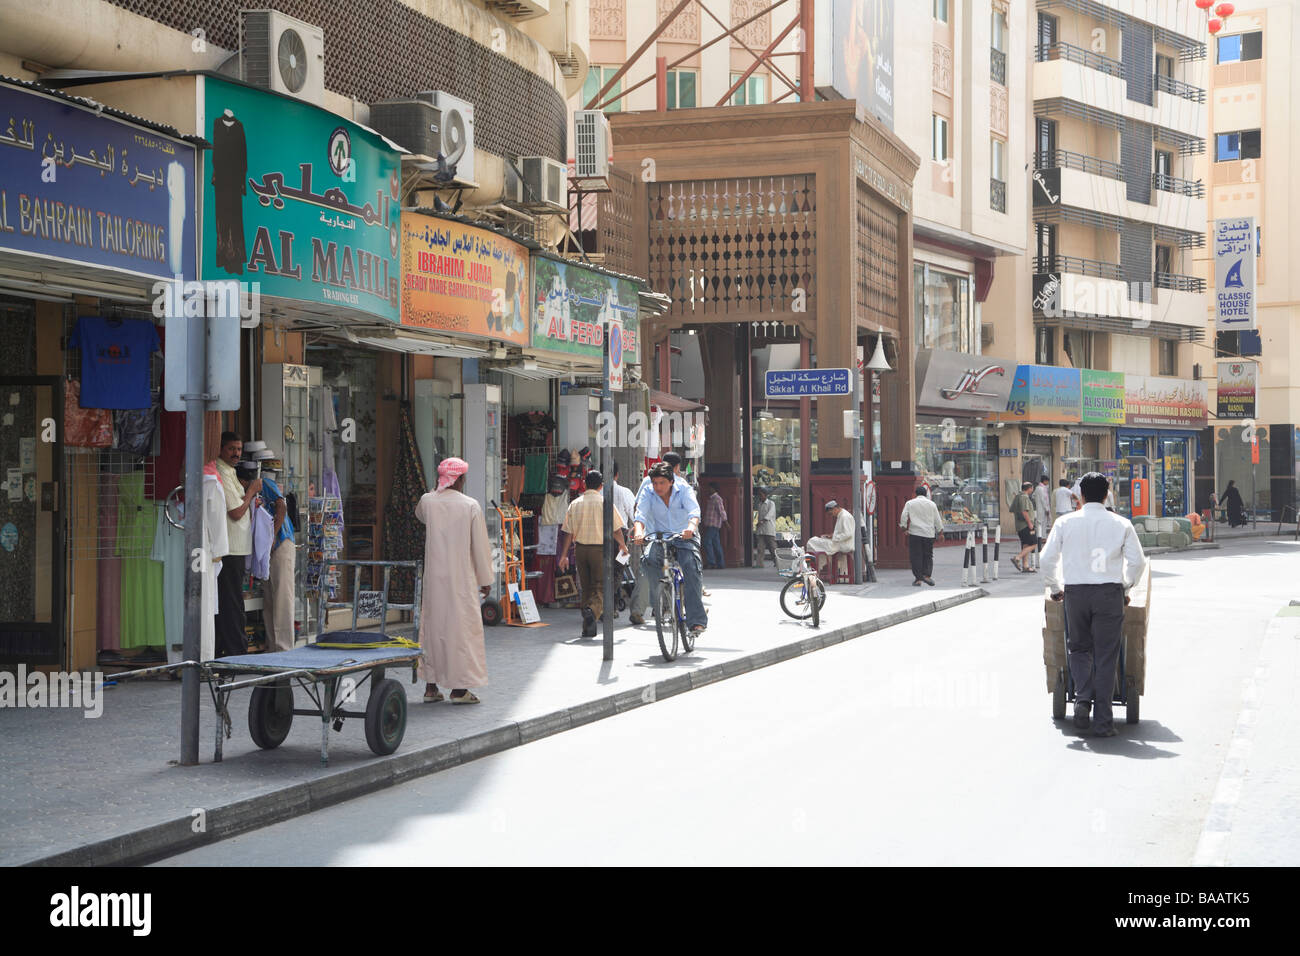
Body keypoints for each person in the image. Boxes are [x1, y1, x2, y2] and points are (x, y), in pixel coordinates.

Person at [1041, 472, 1146, 737]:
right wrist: (1126, 586)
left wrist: (1055, 588)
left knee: (1078, 648)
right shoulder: (1122, 524)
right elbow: (1137, 562)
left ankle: (1082, 699)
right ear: (1107, 493)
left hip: (1076, 593)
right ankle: (1103, 721)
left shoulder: (1065, 523)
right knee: (1106, 655)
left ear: (1080, 496)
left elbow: (1046, 559)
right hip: (1109, 593)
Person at [415, 457, 494, 704]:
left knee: (432, 628)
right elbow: (480, 547)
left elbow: (420, 515)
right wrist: (485, 577)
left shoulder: (428, 501)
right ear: (460, 479)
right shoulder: (470, 506)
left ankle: (430, 686)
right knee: (461, 631)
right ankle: (459, 690)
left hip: (434, 578)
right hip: (462, 578)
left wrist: (436, 488)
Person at [632, 462, 706, 637]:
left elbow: (694, 512)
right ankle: (660, 599)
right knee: (648, 560)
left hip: (684, 536)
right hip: (660, 537)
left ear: (671, 481)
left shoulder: (684, 489)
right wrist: (638, 532)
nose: (658, 487)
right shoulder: (648, 491)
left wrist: (690, 528)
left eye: (662, 483)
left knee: (691, 567)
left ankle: (696, 621)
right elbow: (640, 515)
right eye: (655, 483)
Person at [557, 470, 628, 637]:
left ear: (584, 484)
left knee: (587, 587)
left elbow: (567, 532)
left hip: (580, 550)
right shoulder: (605, 503)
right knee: (601, 586)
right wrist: (622, 545)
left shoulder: (575, 503)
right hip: (600, 550)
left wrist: (564, 555)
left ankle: (588, 627)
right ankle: (592, 611)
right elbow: (616, 529)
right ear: (601, 485)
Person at [213, 432, 260, 657]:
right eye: (232, 449)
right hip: (229, 547)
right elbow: (235, 512)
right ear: (221, 448)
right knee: (232, 601)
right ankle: (236, 651)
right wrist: (251, 491)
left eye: (239, 449)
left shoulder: (229, 472)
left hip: (235, 546)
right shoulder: (221, 471)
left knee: (229, 599)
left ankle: (226, 648)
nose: (236, 454)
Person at [257, 460, 296, 653]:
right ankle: (272, 647)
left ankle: (284, 649)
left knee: (282, 597)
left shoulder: (264, 483)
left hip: (280, 543)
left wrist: (272, 534)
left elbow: (281, 506)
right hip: (269, 547)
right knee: (270, 599)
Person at [605, 461, 644, 623]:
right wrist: (636, 532)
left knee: (601, 572)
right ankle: (611, 607)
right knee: (618, 571)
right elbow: (634, 515)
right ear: (617, 474)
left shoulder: (596, 492)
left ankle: (601, 606)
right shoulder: (624, 492)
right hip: (621, 538)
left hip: (597, 538)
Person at [899, 485, 942, 587]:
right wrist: (940, 532)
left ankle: (918, 579)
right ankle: (927, 575)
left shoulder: (910, 503)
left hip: (915, 533)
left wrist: (904, 528)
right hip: (929, 533)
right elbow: (937, 519)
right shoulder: (932, 504)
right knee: (928, 555)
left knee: (916, 555)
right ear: (926, 494)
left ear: (915, 494)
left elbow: (904, 516)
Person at [806, 499, 855, 578]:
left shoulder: (845, 516)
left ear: (835, 509)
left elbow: (848, 534)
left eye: (831, 513)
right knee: (819, 545)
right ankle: (814, 568)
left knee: (813, 541)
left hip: (844, 545)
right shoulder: (841, 515)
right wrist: (832, 535)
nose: (832, 515)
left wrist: (834, 537)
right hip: (839, 542)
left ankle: (813, 569)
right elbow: (843, 532)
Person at [1010, 480, 1037, 573]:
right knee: (1034, 544)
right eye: (1032, 488)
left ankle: (1025, 566)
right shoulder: (1024, 497)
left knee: (1026, 544)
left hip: (1019, 525)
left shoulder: (1018, 496)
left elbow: (1012, 509)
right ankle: (1017, 558)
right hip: (1025, 525)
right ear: (1029, 488)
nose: (1032, 490)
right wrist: (1030, 523)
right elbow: (1024, 511)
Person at [701, 483, 729, 569]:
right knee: (716, 544)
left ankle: (711, 562)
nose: (709, 490)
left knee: (706, 541)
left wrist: (726, 522)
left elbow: (722, 511)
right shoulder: (711, 499)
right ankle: (720, 564)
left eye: (710, 488)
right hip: (710, 524)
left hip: (714, 524)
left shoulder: (717, 499)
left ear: (713, 489)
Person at [754, 487, 778, 568]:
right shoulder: (759, 504)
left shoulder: (771, 503)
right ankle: (759, 564)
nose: (760, 497)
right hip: (761, 529)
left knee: (772, 548)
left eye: (761, 495)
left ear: (765, 495)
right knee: (760, 548)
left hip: (769, 528)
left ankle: (777, 562)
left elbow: (770, 514)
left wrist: (762, 521)